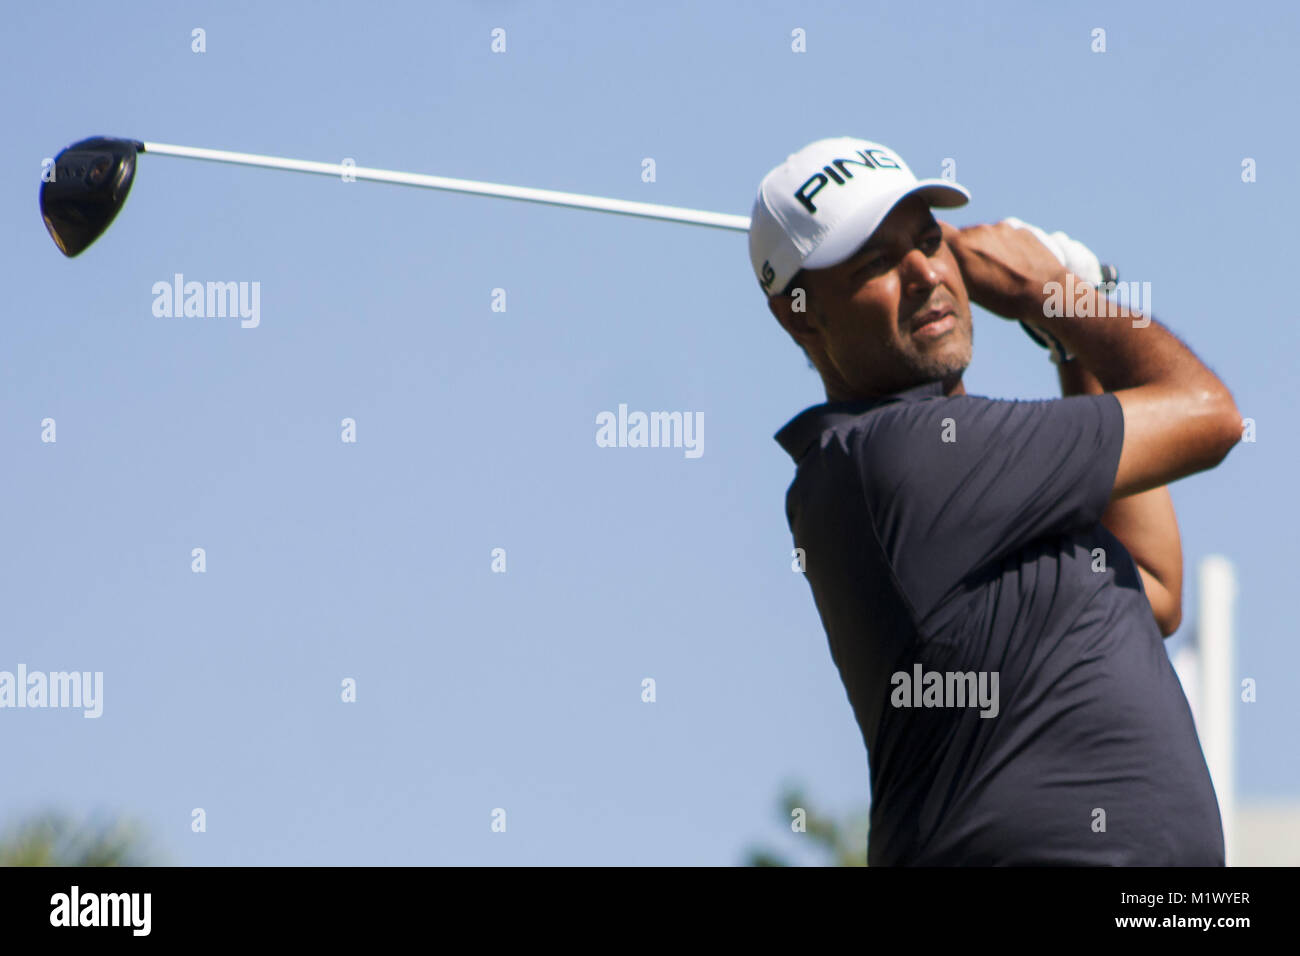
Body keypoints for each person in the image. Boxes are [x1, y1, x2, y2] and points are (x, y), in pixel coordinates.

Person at [750, 136, 1241, 865]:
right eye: (878, 263)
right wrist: (1058, 293)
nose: (924, 273)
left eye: (928, 241)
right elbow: (1209, 415)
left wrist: (1071, 345)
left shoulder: (972, 475)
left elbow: (1153, 588)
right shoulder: (901, 455)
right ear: (799, 315)